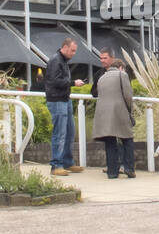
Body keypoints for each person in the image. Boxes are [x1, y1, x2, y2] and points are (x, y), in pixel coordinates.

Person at [44, 38, 84, 177]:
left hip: (63, 99)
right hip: (57, 100)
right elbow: (55, 80)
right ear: (65, 47)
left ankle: (67, 162)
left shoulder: (62, 61)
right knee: (60, 133)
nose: (73, 53)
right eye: (72, 50)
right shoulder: (56, 60)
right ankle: (56, 165)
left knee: (69, 132)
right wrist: (73, 82)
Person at [93, 58, 135, 179]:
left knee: (110, 143)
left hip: (102, 114)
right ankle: (129, 168)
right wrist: (130, 112)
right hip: (119, 111)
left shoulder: (102, 77)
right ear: (121, 67)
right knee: (127, 138)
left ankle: (112, 172)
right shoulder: (122, 75)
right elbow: (128, 95)